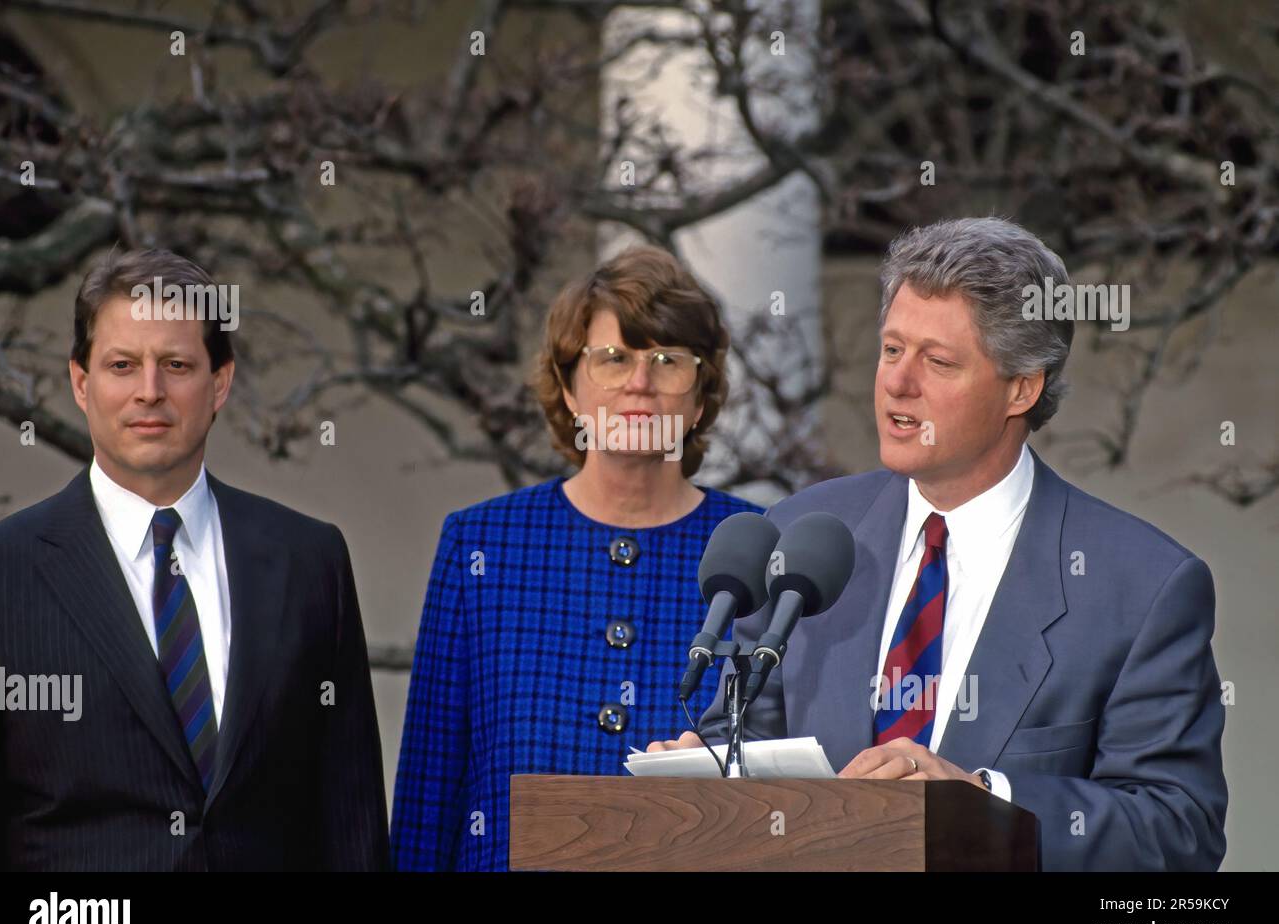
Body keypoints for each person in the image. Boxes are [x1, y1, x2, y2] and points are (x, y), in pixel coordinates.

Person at [649, 217, 1228, 871]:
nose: (898, 382)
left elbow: (1178, 831)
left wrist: (984, 801)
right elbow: (744, 741)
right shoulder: (804, 535)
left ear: (1021, 388)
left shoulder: (1142, 585)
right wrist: (701, 777)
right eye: (892, 349)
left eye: (939, 361)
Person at [0, 248, 388, 870]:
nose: (150, 391)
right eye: (122, 365)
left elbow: (350, 820)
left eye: (176, 364)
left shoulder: (309, 561)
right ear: (81, 383)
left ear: (219, 382)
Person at [391, 246, 760, 871]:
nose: (639, 384)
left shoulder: (755, 546)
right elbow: (430, 786)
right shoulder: (481, 545)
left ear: (701, 398)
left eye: (669, 361)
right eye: (612, 359)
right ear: (568, 386)